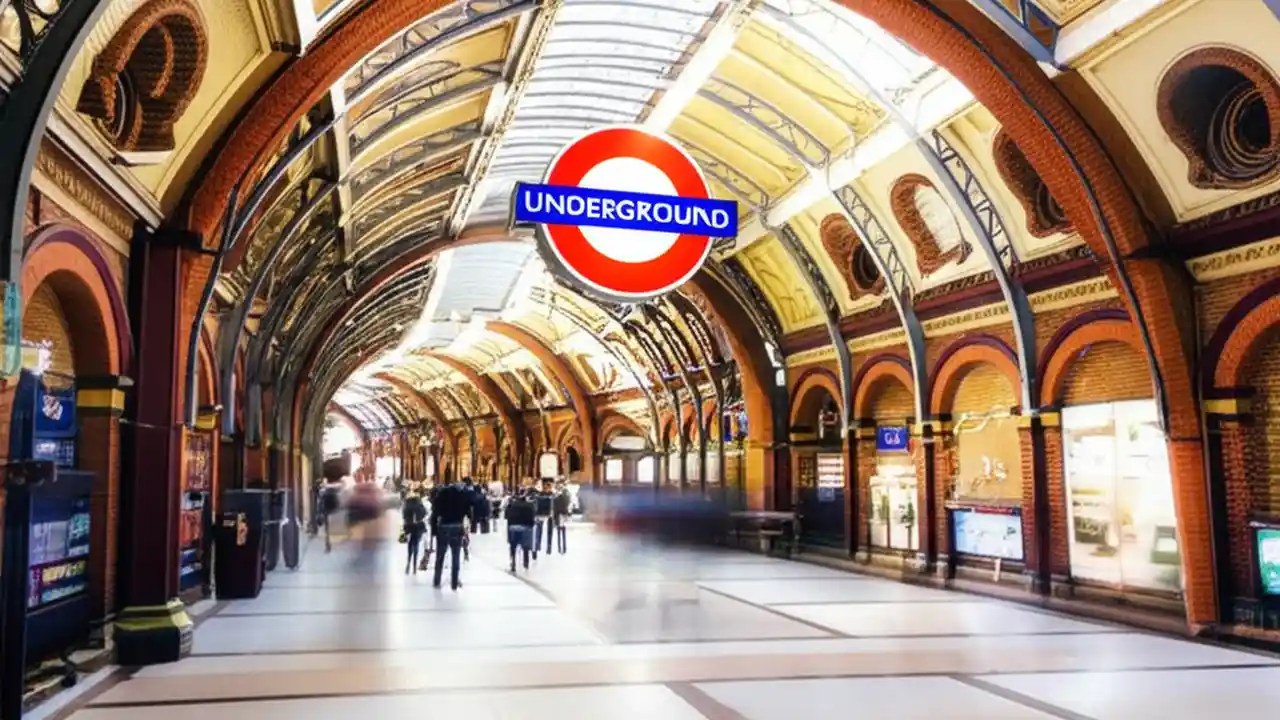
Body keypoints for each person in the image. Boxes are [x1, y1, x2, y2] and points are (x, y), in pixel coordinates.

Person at [431, 476, 473, 590]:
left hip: (443, 526)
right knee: (456, 556)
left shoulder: (441, 495)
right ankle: (454, 583)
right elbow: (469, 512)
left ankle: (437, 580)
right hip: (457, 526)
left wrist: (434, 530)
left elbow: (434, 513)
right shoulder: (462, 496)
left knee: (440, 555)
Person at [504, 489, 536, 573]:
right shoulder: (530, 506)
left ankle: (513, 562)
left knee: (513, 546)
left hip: (513, 527)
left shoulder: (511, 505)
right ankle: (526, 563)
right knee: (525, 547)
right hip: (525, 528)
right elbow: (532, 518)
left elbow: (506, 516)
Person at [402, 492, 427, 574]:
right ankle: (415, 565)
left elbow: (404, 516)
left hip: (409, 526)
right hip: (418, 526)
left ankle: (408, 560)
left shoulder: (407, 505)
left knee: (410, 543)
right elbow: (424, 513)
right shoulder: (420, 505)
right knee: (416, 544)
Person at [532, 478, 555, 559]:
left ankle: (548, 547)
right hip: (541, 515)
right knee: (539, 532)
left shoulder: (551, 495)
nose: (548, 488)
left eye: (549, 486)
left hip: (548, 516)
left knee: (549, 532)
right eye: (547, 486)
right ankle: (537, 547)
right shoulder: (541, 495)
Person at [552, 481, 572, 554]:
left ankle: (561, 547)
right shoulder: (565, 494)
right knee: (562, 530)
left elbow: (554, 507)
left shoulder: (557, 496)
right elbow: (568, 503)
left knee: (560, 530)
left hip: (560, 514)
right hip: (562, 513)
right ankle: (562, 547)